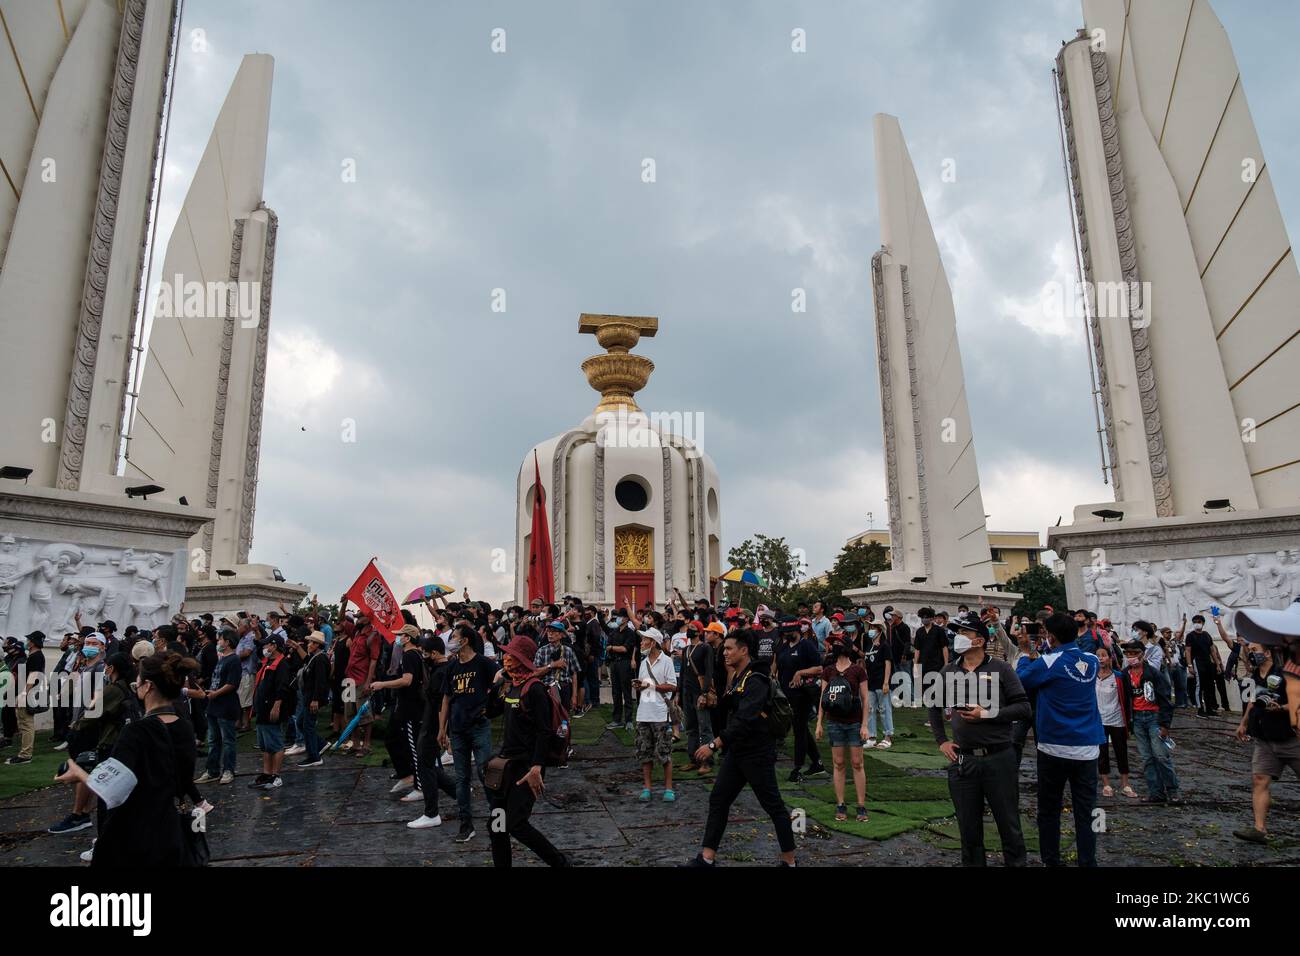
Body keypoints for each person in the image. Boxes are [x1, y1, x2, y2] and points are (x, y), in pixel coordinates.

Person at [54, 652, 200, 867]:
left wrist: (78, 772)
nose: (135, 683)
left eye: (138, 680)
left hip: (137, 832)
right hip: (170, 830)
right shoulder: (185, 727)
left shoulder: (136, 731)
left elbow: (112, 788)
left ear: (148, 686)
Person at [688, 630, 797, 867]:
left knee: (774, 806)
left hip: (756, 753)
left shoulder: (755, 678)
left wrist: (713, 744)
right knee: (719, 799)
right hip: (738, 752)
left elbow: (745, 719)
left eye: (728, 648)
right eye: (724, 649)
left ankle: (790, 862)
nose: (724, 653)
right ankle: (706, 859)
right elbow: (734, 710)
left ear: (744, 650)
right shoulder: (740, 677)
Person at [929, 614, 1030, 866]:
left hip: (999, 757)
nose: (958, 637)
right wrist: (941, 740)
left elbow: (1023, 708)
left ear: (979, 641)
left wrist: (986, 714)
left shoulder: (1001, 668)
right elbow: (933, 706)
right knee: (969, 830)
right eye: (957, 632)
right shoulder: (949, 670)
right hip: (964, 761)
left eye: (965, 632)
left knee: (1009, 824)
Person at [1015, 612, 1104, 867]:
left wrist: (1024, 654)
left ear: (1050, 637)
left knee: (1049, 810)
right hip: (1087, 746)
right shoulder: (1091, 660)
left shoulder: (1048, 662)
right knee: (1086, 811)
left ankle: (1052, 860)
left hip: (1055, 745)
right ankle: (1088, 861)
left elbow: (1022, 680)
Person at [482, 635, 570, 867]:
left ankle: (561, 864)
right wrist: (496, 684)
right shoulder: (513, 685)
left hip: (526, 769)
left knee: (517, 824)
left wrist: (536, 767)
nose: (506, 659)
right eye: (506, 654)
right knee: (497, 826)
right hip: (505, 769)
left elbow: (544, 732)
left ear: (522, 660)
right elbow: (490, 712)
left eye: (511, 655)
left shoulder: (534, 689)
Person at [1233, 643, 1300, 843]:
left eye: (1255, 650)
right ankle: (1259, 829)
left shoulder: (1286, 673)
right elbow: (1252, 701)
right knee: (1259, 780)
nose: (1251, 654)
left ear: (1268, 652)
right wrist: (1243, 723)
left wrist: (1281, 707)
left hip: (1291, 738)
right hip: (1264, 739)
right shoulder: (1254, 677)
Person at [438, 622, 497, 843]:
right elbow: (446, 698)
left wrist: (491, 707)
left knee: (486, 773)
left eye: (453, 637)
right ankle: (466, 824)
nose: (450, 640)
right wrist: (442, 729)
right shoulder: (452, 666)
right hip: (458, 730)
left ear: (465, 640)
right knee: (461, 778)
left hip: (479, 727)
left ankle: (497, 817)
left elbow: (502, 680)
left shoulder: (483, 663)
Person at [1118, 636, 1179, 804]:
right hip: (1137, 719)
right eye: (1128, 653)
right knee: (1146, 758)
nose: (1131, 656)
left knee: (1161, 756)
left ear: (1142, 654)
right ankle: (1156, 792)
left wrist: (1165, 725)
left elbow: (1166, 700)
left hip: (1154, 717)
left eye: (1134, 653)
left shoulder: (1154, 673)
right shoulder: (1124, 675)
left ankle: (1173, 791)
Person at [815, 640, 870, 822]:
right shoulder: (828, 670)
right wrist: (819, 723)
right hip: (835, 722)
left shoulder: (858, 670)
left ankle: (861, 805)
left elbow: (865, 699)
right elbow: (823, 698)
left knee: (857, 762)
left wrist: (864, 725)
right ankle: (841, 804)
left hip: (854, 722)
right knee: (838, 763)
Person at [372, 624, 425, 800]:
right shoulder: (410, 654)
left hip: (411, 707)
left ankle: (420, 786)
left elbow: (407, 680)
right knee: (392, 738)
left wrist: (383, 684)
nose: (398, 638)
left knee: (412, 746)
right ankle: (405, 775)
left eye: (400, 635)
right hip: (402, 706)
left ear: (408, 638)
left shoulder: (410, 655)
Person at [634, 621, 678, 801]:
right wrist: (639, 686)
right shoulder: (643, 662)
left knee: (664, 753)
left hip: (660, 713)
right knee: (645, 753)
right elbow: (644, 686)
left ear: (653, 642)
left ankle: (668, 789)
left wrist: (649, 685)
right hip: (643, 712)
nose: (641, 643)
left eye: (644, 640)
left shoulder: (666, 661)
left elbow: (673, 686)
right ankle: (647, 788)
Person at [777, 620, 825, 780]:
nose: (785, 635)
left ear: (796, 630)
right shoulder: (784, 647)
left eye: (788, 631)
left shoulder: (806, 645)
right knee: (801, 728)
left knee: (799, 730)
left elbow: (819, 668)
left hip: (802, 694)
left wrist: (800, 673)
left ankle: (797, 768)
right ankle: (817, 762)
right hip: (786, 694)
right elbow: (779, 667)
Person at [195, 628, 241, 784]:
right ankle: (212, 770)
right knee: (213, 740)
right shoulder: (222, 659)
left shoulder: (234, 660)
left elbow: (232, 684)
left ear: (227, 642)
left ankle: (228, 770)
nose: (218, 642)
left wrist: (216, 693)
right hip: (214, 705)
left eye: (220, 639)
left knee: (228, 740)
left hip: (226, 706)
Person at [250, 633, 295, 791]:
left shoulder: (282, 664)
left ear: (274, 646)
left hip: (271, 709)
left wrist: (277, 706)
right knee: (265, 745)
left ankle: (276, 776)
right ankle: (266, 773)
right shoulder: (267, 662)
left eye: (267, 645)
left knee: (275, 744)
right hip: (262, 709)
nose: (264, 648)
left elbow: (283, 687)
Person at [1094, 648, 1137, 799]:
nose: (1101, 659)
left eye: (1103, 655)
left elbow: (1127, 698)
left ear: (1109, 658)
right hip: (1099, 721)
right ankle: (1106, 783)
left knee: (1121, 751)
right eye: (1098, 656)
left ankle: (1125, 783)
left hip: (1117, 719)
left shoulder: (1119, 677)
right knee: (1102, 752)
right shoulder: (1092, 677)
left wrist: (1130, 720)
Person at [342, 615, 381, 756]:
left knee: (364, 715)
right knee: (350, 714)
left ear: (369, 618)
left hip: (361, 680)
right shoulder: (356, 632)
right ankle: (356, 744)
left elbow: (373, 660)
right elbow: (342, 620)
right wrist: (345, 603)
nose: (358, 616)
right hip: (349, 679)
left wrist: (368, 682)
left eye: (362, 615)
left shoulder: (373, 636)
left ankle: (367, 745)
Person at [293, 629, 331, 768]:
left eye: (311, 642)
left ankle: (313, 756)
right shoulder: (315, 657)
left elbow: (320, 681)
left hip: (313, 698)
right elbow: (306, 660)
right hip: (308, 696)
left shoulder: (320, 659)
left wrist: (315, 699)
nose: (308, 644)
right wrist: (297, 648)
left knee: (308, 725)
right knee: (301, 722)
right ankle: (320, 744)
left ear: (316, 645)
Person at [7, 631, 46, 765]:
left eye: (29, 640)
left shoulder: (36, 656)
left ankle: (25, 755)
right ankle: (24, 752)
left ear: (33, 642)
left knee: (26, 724)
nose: (26, 642)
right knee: (24, 724)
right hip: (27, 692)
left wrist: (23, 694)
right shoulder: (34, 655)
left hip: (28, 693)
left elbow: (33, 676)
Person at [1181, 614, 1226, 717]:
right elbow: (1188, 651)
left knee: (1209, 686)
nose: (1197, 623)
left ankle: (1209, 709)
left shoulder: (1206, 635)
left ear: (1203, 623)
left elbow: (1212, 651)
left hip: (1208, 663)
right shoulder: (1190, 636)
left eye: (1199, 622)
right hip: (1197, 662)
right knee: (1199, 686)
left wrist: (1217, 664)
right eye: (1195, 622)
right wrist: (1190, 665)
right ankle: (1200, 710)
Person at [861, 620, 894, 748]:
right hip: (871, 682)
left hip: (881, 682)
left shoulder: (885, 646)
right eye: (871, 627)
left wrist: (886, 682)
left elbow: (888, 663)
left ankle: (888, 736)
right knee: (870, 709)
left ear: (879, 630)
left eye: (874, 627)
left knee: (884, 709)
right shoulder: (869, 646)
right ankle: (872, 736)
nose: (871, 630)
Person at [604, 612, 636, 731]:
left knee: (626, 692)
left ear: (626, 619)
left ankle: (628, 720)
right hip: (614, 663)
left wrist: (613, 648)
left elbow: (625, 649)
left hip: (625, 663)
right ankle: (617, 719)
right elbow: (607, 646)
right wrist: (612, 648)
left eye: (620, 616)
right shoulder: (614, 631)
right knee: (615, 692)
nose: (618, 618)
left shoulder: (630, 633)